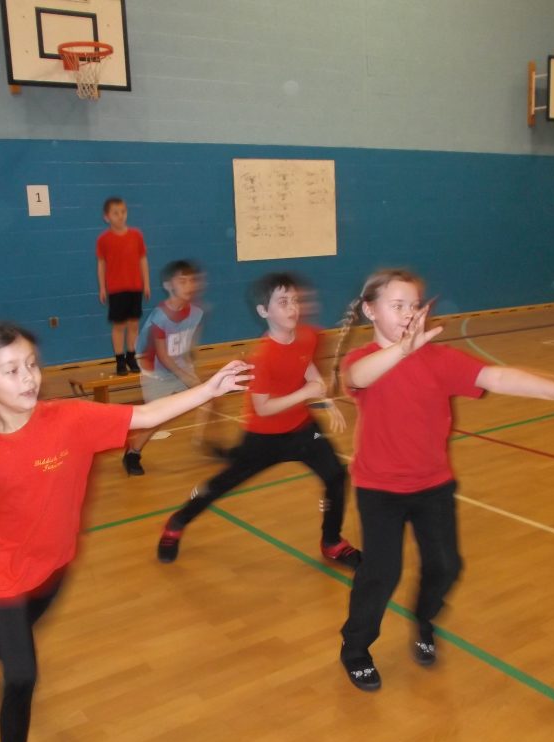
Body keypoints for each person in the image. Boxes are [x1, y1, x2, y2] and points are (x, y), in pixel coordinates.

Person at [0, 322, 250, 742]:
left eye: (31, 364)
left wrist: (209, 389)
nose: (28, 377)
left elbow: (145, 416)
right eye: (11, 370)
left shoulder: (70, 418)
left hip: (55, 561)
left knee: (16, 639)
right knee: (22, 676)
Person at [333, 268, 554, 691]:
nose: (408, 314)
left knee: (446, 566)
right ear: (370, 311)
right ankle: (355, 648)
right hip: (380, 488)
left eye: (413, 305)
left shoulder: (438, 359)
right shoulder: (361, 360)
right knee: (381, 574)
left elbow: (494, 376)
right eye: (397, 305)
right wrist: (403, 350)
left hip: (433, 485)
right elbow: (357, 378)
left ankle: (424, 621)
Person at [156, 272, 361, 569]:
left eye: (294, 300)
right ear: (264, 311)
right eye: (283, 302)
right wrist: (306, 393)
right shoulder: (263, 356)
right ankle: (177, 522)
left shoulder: (305, 336)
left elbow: (307, 368)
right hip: (264, 438)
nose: (293, 307)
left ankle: (332, 542)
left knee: (336, 476)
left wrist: (324, 400)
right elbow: (264, 408)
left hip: (304, 431)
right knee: (222, 484)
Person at [122, 259, 205, 476]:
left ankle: (209, 443)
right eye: (182, 281)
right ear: (169, 286)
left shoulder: (196, 313)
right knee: (156, 419)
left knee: (209, 397)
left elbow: (189, 343)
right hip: (157, 372)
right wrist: (186, 377)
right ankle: (132, 452)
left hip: (179, 366)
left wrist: (190, 366)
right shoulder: (160, 316)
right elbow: (163, 355)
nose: (189, 285)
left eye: (192, 281)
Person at [96, 196, 150, 375]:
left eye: (123, 212)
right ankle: (120, 360)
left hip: (135, 287)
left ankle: (131, 356)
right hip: (116, 289)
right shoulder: (104, 239)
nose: (120, 216)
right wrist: (102, 287)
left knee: (134, 324)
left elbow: (143, 259)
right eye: (115, 213)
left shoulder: (136, 235)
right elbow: (101, 264)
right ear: (107, 217)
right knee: (119, 326)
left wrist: (146, 283)